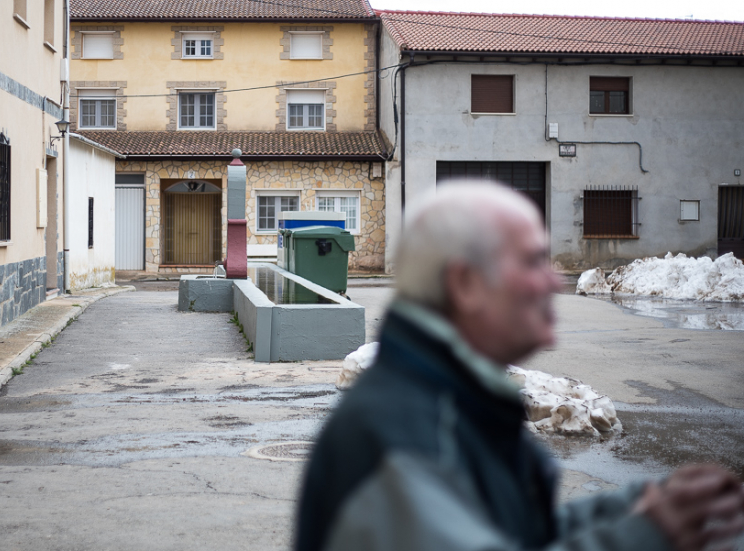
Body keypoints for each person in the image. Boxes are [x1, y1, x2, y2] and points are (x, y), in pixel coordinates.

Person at [295, 181, 744, 551]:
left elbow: (518, 533)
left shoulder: (456, 397)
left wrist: (639, 506)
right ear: (465, 283)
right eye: (532, 261)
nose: (553, 281)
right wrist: (642, 535)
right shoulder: (397, 431)